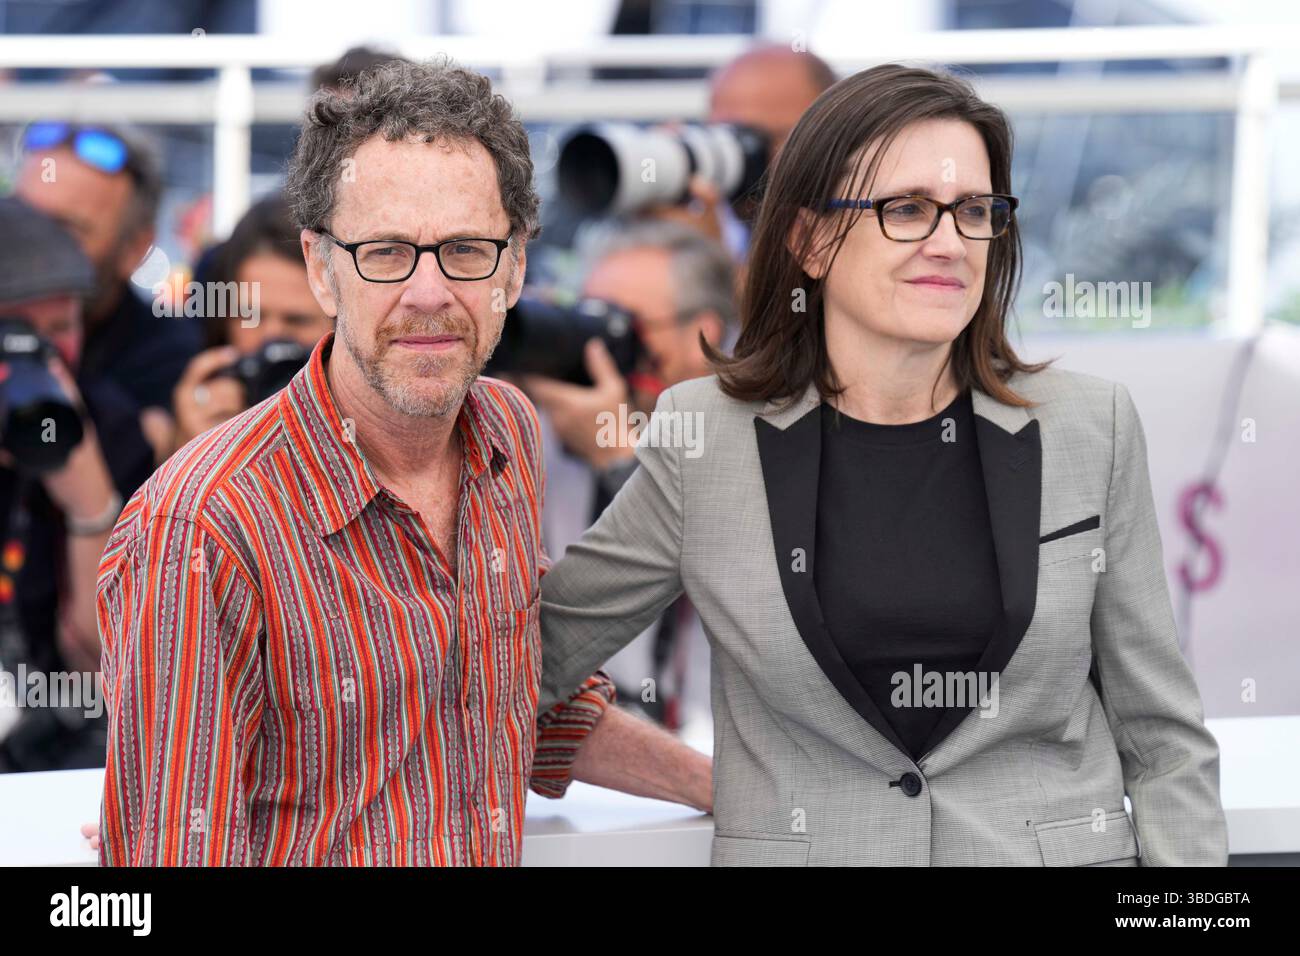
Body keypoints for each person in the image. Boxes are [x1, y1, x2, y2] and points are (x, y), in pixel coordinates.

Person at [536, 63, 1228, 865]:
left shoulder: (1090, 425)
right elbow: (518, 667)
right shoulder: (705, 439)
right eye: (906, 209)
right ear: (811, 240)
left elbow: (1164, 736)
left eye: (975, 210)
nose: (948, 241)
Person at [94, 57, 710, 866]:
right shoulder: (201, 530)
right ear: (322, 267)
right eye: (385, 252)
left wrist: (729, 788)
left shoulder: (504, 433)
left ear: (517, 266)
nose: (428, 293)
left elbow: (518, 701)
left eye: (465, 249)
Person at [522, 221, 735, 729]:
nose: (596, 338)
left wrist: (619, 461)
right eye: (587, 314)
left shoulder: (750, 437)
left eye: (624, 322)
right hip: (567, 760)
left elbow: (725, 586)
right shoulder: (534, 435)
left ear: (702, 333)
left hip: (706, 747)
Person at [0, 198, 153, 772]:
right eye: (13, 331)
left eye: (61, 328)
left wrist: (90, 505)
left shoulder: (108, 425)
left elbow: (104, 666)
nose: (43, 356)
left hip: (61, 754)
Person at [14, 121, 201, 462]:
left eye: (64, 229)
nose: (31, 244)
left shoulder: (173, 365)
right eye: (21, 216)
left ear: (135, 249)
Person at [169, 194, 334, 454]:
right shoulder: (211, 413)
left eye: (297, 320)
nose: (272, 336)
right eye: (250, 316)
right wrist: (192, 453)